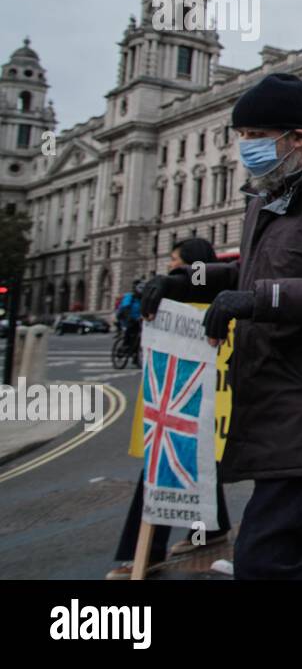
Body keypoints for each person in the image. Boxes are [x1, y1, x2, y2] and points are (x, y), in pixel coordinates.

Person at [141, 72, 302, 579]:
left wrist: (259, 300)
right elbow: (253, 272)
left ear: (297, 137)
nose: (244, 149)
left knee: (265, 555)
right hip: (276, 394)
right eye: (240, 137)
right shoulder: (267, 195)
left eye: (255, 137)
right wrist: (184, 280)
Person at [106, 239, 232, 579]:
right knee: (197, 459)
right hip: (206, 399)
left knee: (168, 459)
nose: (170, 269)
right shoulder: (174, 293)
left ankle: (144, 552)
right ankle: (209, 528)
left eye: (176, 264)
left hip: (223, 394)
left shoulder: (214, 289)